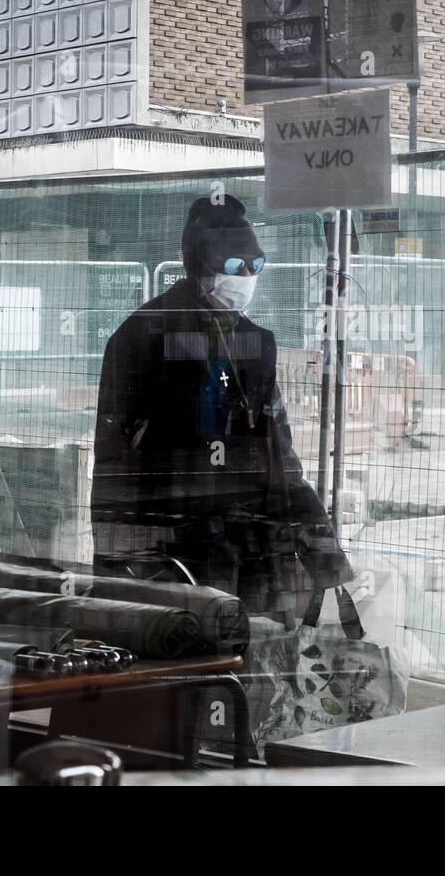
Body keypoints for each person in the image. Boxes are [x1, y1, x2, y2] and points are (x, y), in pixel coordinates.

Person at [91, 195, 353, 626]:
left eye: (256, 267)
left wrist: (324, 555)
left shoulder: (256, 344)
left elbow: (280, 453)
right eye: (235, 267)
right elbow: (116, 459)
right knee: (184, 652)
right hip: (172, 543)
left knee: (248, 656)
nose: (247, 278)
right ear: (201, 267)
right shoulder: (142, 337)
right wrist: (122, 561)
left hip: (248, 541)